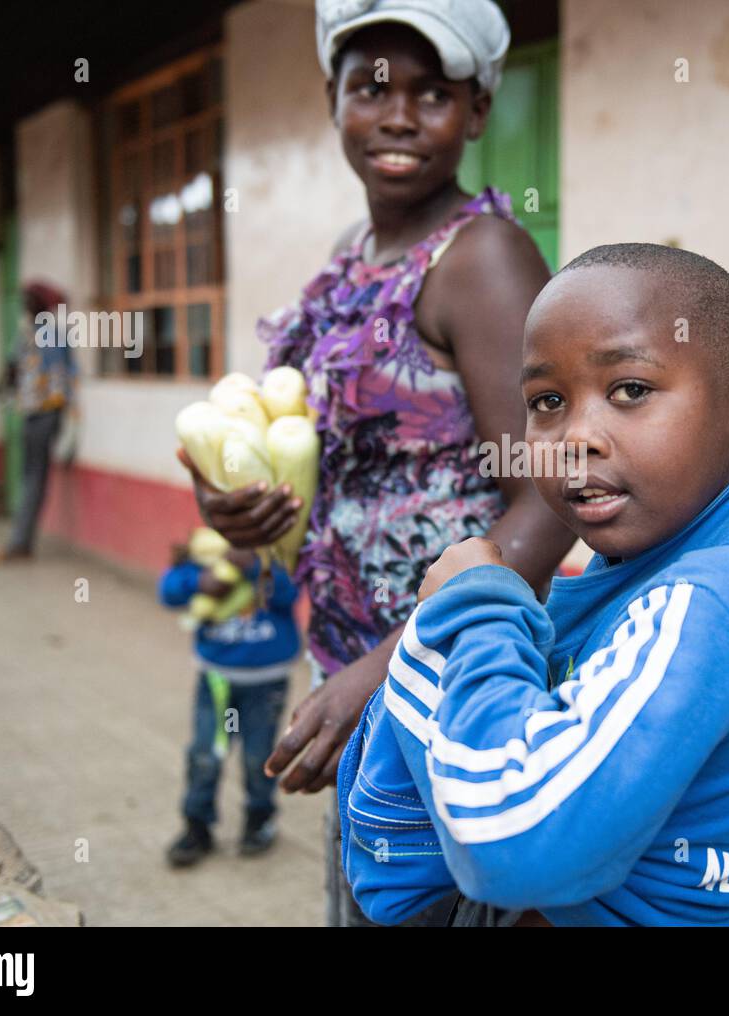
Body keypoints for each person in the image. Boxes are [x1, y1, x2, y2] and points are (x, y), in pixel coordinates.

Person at [176, 0, 575, 924]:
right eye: (371, 88)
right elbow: (299, 436)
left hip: (455, 692)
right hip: (357, 673)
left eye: (434, 92)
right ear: (334, 100)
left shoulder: (484, 260)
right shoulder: (349, 260)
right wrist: (229, 496)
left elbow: (549, 497)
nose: (399, 115)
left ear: (477, 112)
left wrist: (393, 669)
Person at [338, 243, 729, 926]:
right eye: (547, 401)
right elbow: (394, 872)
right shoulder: (649, 573)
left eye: (630, 390)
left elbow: (509, 848)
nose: (577, 437)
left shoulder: (708, 599)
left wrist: (475, 609)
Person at [158, 541, 301, 866]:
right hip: (217, 681)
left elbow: (290, 595)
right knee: (206, 754)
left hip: (266, 684)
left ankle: (259, 819)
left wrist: (252, 567)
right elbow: (168, 592)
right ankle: (197, 826)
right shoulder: (207, 551)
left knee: (258, 757)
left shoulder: (277, 555)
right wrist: (199, 581)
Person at [0, 280, 76, 564]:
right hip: (32, 413)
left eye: (29, 300)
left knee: (33, 478)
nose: (25, 305)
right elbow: (15, 366)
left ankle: (20, 543)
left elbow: (63, 376)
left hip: (46, 415)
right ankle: (20, 540)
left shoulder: (51, 334)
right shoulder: (30, 333)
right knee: (29, 476)